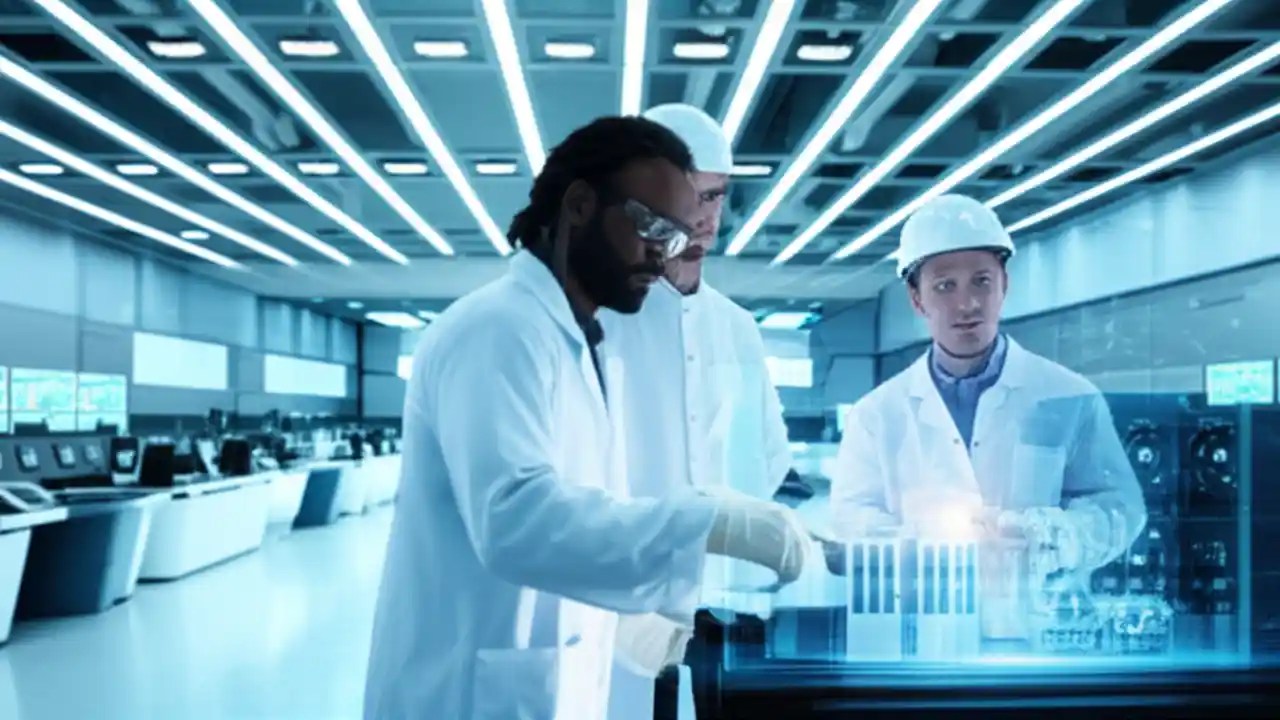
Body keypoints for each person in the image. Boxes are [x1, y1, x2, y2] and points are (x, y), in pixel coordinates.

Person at [362, 116, 810, 720]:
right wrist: (710, 521)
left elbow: (583, 518)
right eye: (650, 225)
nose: (662, 253)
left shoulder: (579, 343)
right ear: (579, 205)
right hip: (469, 691)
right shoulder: (498, 331)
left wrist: (635, 629)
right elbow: (516, 521)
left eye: (675, 235)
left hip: (545, 683)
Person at [829, 193, 1147, 639]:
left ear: (1005, 285)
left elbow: (1121, 508)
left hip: (1044, 638)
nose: (967, 304)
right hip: (922, 640)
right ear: (917, 299)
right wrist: (923, 544)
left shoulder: (1070, 396)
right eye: (945, 286)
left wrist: (1051, 535)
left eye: (981, 281)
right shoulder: (877, 415)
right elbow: (849, 519)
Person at [598, 104, 800, 718]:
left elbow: (767, 453)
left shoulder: (737, 328)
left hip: (725, 595)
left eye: (715, 197)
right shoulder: (604, 322)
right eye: (687, 196)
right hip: (626, 599)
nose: (703, 217)